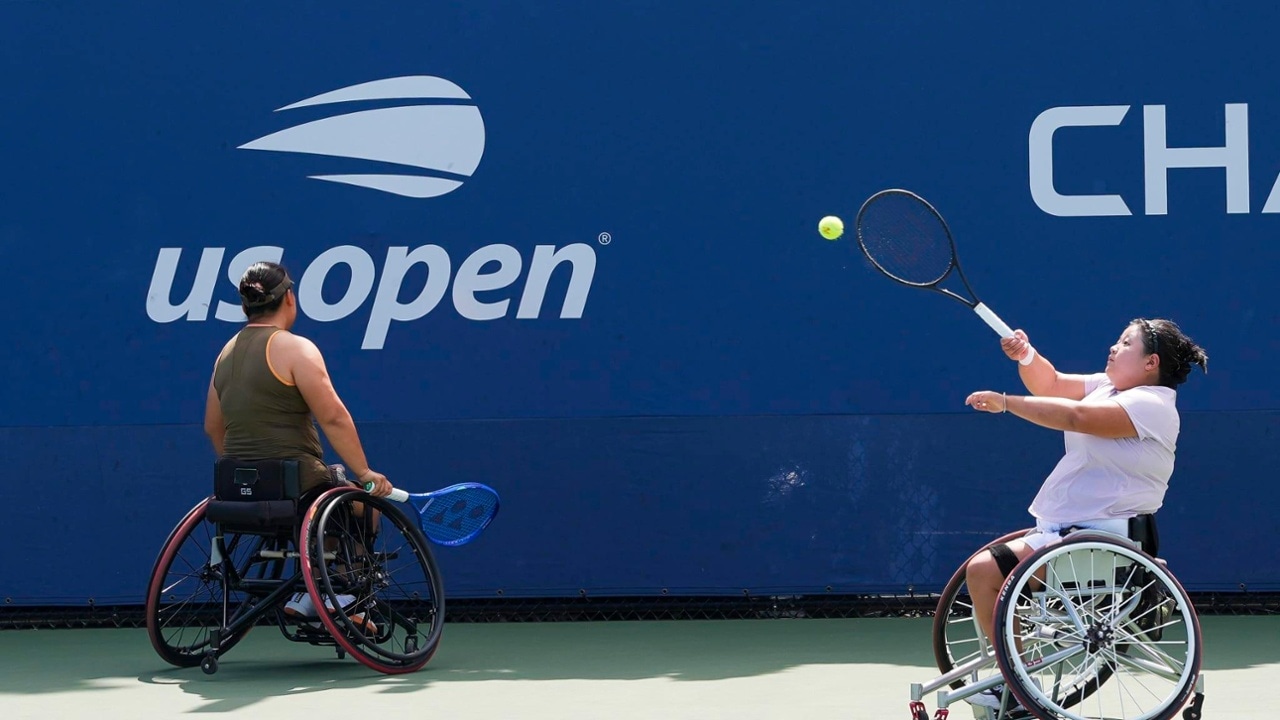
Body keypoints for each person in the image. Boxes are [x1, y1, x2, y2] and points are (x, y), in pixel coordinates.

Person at [960, 317, 1208, 711]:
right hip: (1070, 537)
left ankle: (1018, 684)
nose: (1114, 347)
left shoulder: (1151, 404)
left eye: (1126, 343)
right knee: (982, 571)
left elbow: (1077, 417)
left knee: (986, 571)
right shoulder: (1108, 387)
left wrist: (1007, 403)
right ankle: (1016, 679)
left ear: (1151, 363)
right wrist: (1026, 355)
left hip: (1104, 544)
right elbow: (1052, 385)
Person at [203, 260, 393, 624]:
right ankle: (338, 595)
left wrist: (246, 470)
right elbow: (334, 417)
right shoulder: (296, 349)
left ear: (246, 305)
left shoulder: (224, 355)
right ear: (289, 297)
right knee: (361, 508)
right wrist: (366, 472)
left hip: (237, 488)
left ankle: (313, 591)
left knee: (327, 498)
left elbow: (213, 426)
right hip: (297, 484)